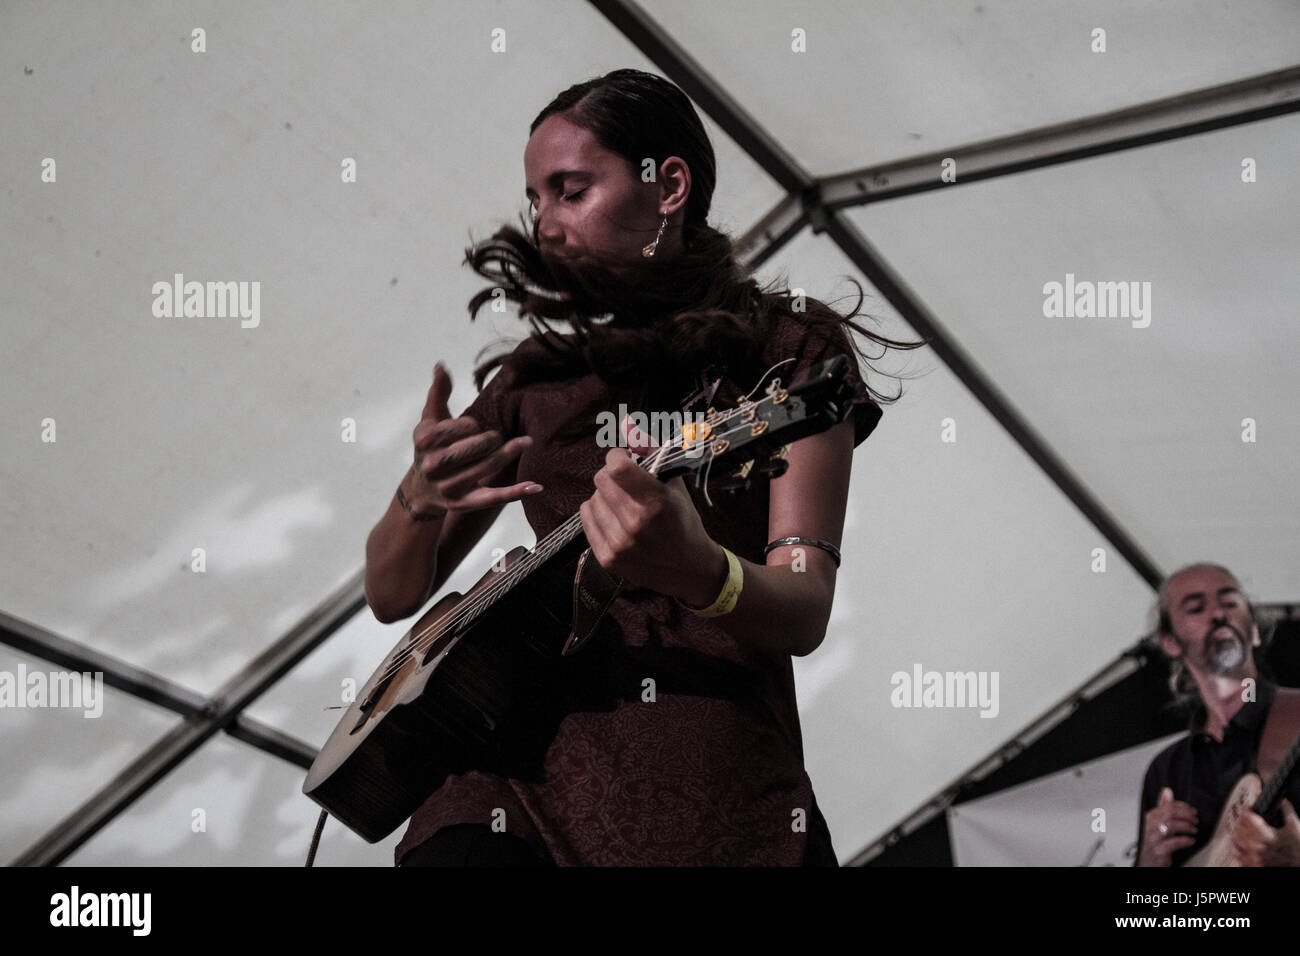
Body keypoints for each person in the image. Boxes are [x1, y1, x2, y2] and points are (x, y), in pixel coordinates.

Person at [362, 69, 921, 866]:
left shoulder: (785, 347)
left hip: (710, 791)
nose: (544, 223)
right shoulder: (530, 377)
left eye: (571, 190)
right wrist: (417, 499)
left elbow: (804, 608)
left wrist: (702, 572)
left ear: (668, 186)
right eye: (536, 200)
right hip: (504, 780)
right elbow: (391, 595)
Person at [1136, 562, 1300, 867]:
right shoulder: (1166, 771)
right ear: (1170, 642)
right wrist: (1150, 858)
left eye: (1230, 603)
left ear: (1253, 630)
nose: (1218, 614)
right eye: (1196, 608)